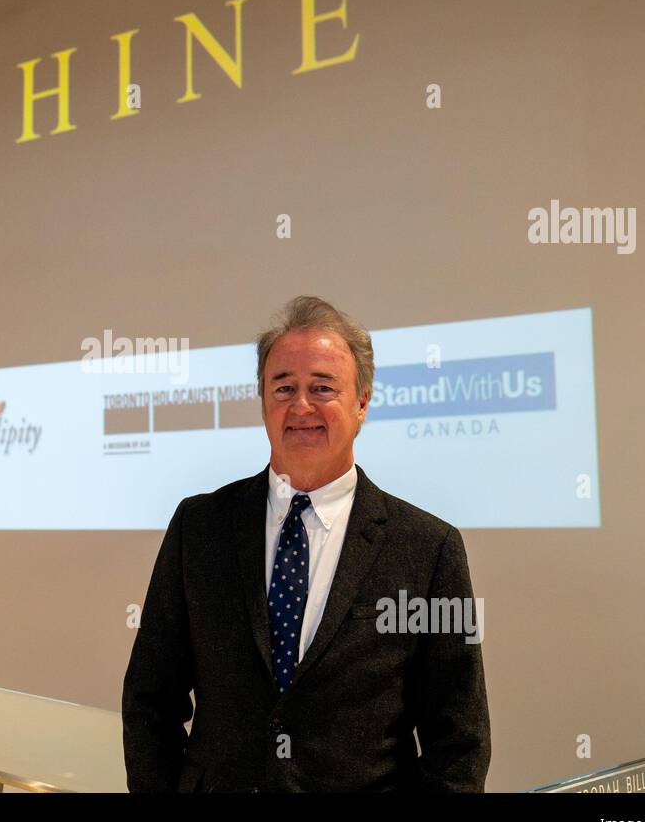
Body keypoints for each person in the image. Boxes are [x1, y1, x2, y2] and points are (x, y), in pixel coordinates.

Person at [122, 295, 491, 791]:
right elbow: (150, 699)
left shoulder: (429, 549)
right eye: (283, 388)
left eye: (323, 388)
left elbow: (459, 740)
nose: (300, 406)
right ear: (263, 402)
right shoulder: (199, 526)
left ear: (362, 402)